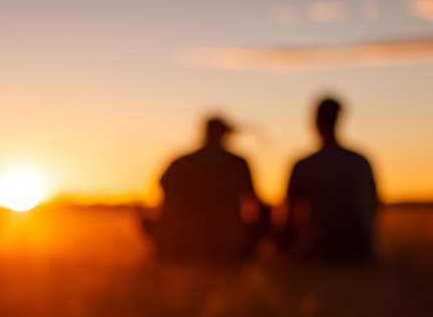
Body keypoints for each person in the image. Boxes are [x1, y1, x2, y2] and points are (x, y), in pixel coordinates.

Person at [142, 116, 268, 262]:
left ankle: (167, 248)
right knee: (267, 211)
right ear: (224, 135)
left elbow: (164, 197)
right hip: (228, 246)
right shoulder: (237, 163)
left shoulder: (181, 162)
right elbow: (254, 200)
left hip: (181, 245)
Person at [281, 97, 378, 263]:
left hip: (316, 250)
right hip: (359, 251)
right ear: (339, 120)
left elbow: (288, 216)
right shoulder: (360, 161)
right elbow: (375, 206)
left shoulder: (303, 165)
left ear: (315, 123)